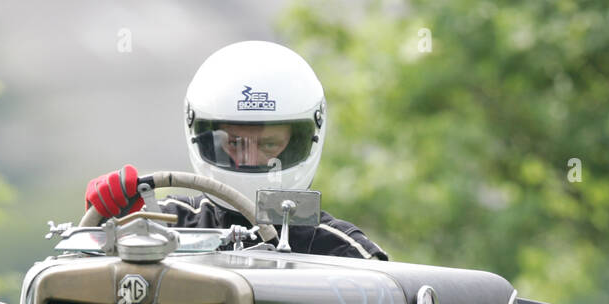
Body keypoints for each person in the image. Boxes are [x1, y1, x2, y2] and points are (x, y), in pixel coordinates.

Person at [84, 40, 387, 261]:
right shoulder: (169, 225)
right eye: (234, 142)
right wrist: (110, 227)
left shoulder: (343, 251)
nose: (250, 158)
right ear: (205, 138)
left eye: (268, 144)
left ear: (301, 139)